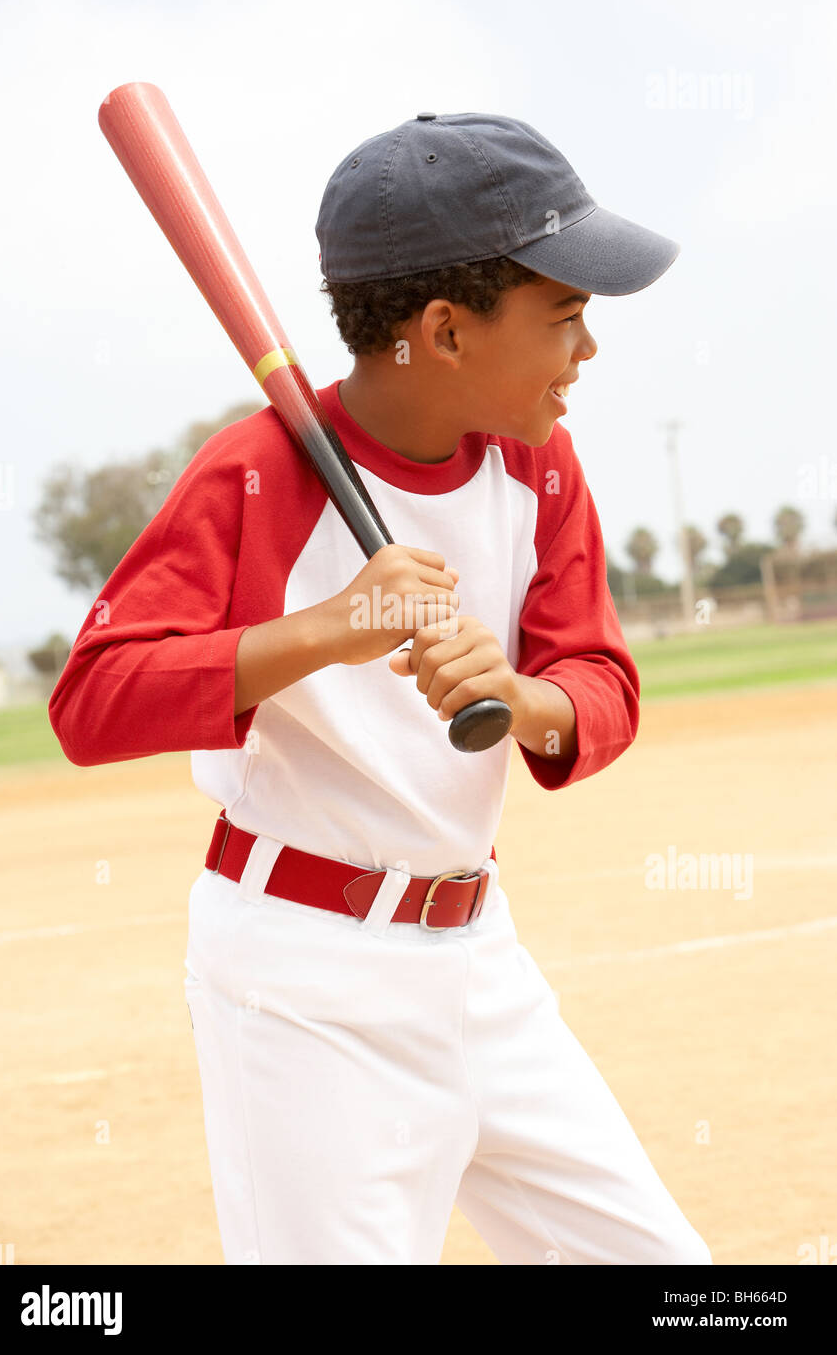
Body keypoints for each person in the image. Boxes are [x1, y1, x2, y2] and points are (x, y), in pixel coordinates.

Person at [50, 111, 712, 1267]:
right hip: (304, 984)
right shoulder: (257, 473)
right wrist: (320, 631)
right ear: (445, 331)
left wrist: (522, 691)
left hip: (478, 955)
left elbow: (597, 680)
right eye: (563, 315)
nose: (586, 351)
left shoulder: (536, 463)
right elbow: (92, 701)